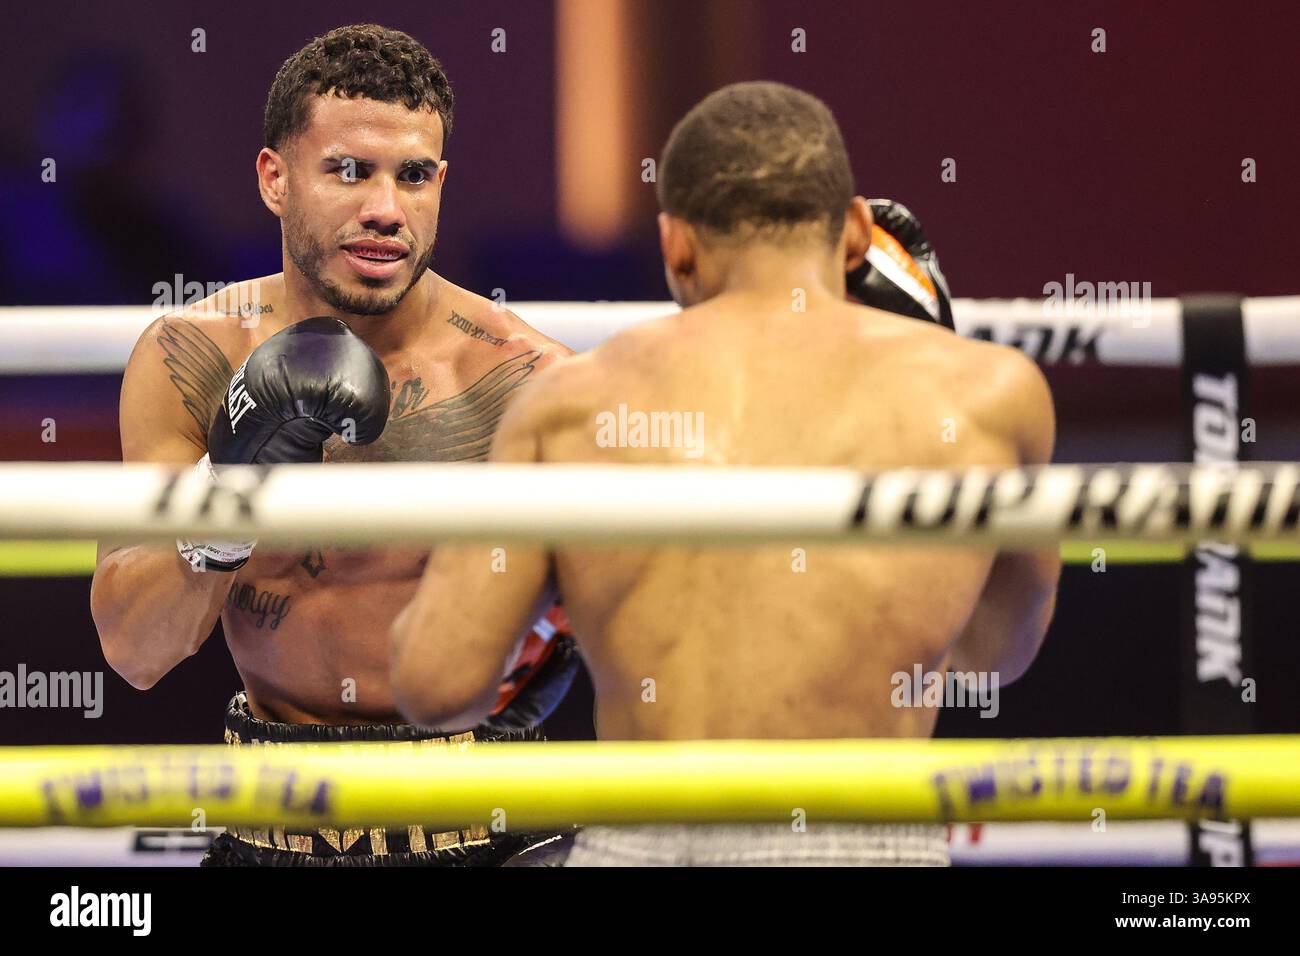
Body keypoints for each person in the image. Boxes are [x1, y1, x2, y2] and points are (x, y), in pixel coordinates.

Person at [389, 81, 1059, 866]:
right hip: (869, 843)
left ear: (676, 245)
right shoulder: (990, 394)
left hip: (647, 843)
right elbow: (994, 655)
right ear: (853, 234)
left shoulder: (570, 405)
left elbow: (436, 686)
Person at [90, 23, 579, 866]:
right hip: (269, 820)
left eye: (414, 175)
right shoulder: (193, 359)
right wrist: (225, 497)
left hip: (488, 818)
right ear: (274, 178)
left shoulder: (525, 379)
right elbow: (134, 652)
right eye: (350, 171)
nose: (385, 208)